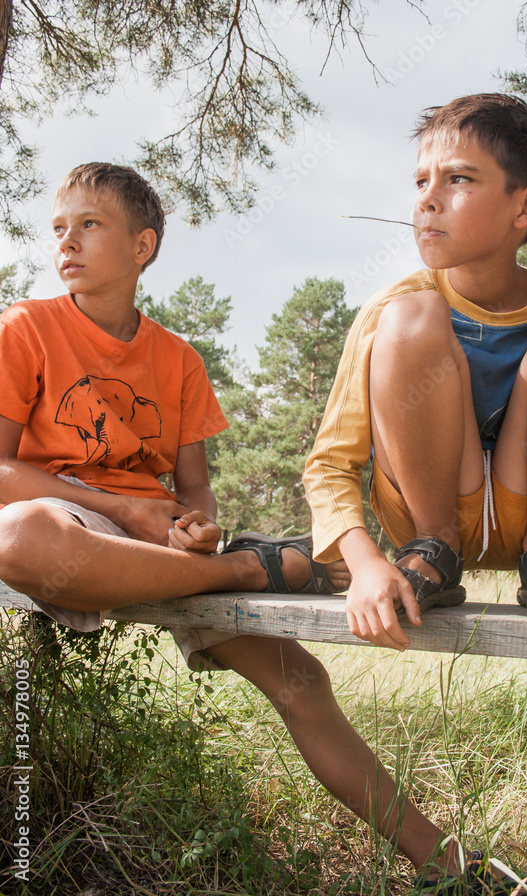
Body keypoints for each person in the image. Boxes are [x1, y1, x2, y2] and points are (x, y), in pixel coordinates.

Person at [0, 162, 500, 894]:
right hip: (67, 516)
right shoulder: (25, 327)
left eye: (88, 224)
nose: (65, 243)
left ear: (142, 246)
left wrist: (196, 529)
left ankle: (450, 867)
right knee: (16, 535)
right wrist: (133, 513)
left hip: (158, 546)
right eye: (58, 229)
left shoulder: (178, 359)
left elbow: (193, 490)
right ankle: (250, 567)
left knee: (302, 680)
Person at [304, 92, 527, 653]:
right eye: (421, 182)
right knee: (411, 316)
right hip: (424, 519)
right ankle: (434, 551)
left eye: (458, 179)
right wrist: (366, 562)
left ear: (526, 205)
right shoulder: (392, 310)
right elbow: (330, 464)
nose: (428, 200)